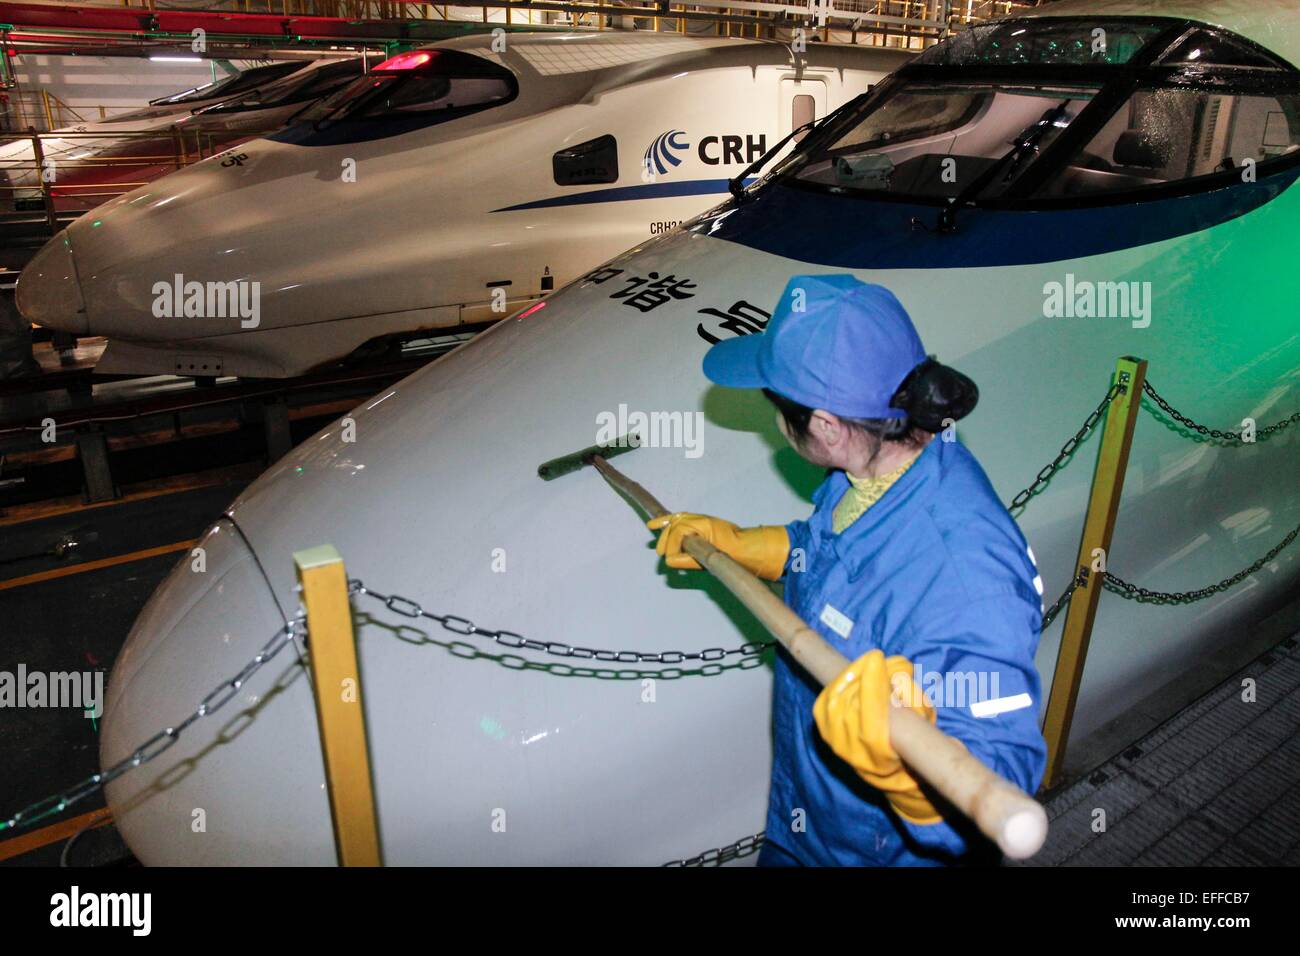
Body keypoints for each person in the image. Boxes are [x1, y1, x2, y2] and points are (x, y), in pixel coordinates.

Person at [649, 274, 1047, 866]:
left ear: (827, 427)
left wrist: (905, 776)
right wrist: (745, 544)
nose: (778, 426)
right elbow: (833, 549)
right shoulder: (873, 473)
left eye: (781, 412)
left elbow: (1001, 770)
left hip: (874, 851)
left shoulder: (965, 572)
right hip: (809, 815)